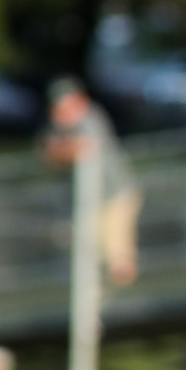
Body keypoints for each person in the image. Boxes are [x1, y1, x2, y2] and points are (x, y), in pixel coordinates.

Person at [41, 77, 141, 286]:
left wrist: (62, 149)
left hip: (114, 194)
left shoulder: (91, 117)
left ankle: (123, 298)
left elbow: (81, 149)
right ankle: (97, 293)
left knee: (116, 249)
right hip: (87, 201)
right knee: (82, 244)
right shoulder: (57, 125)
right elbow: (46, 151)